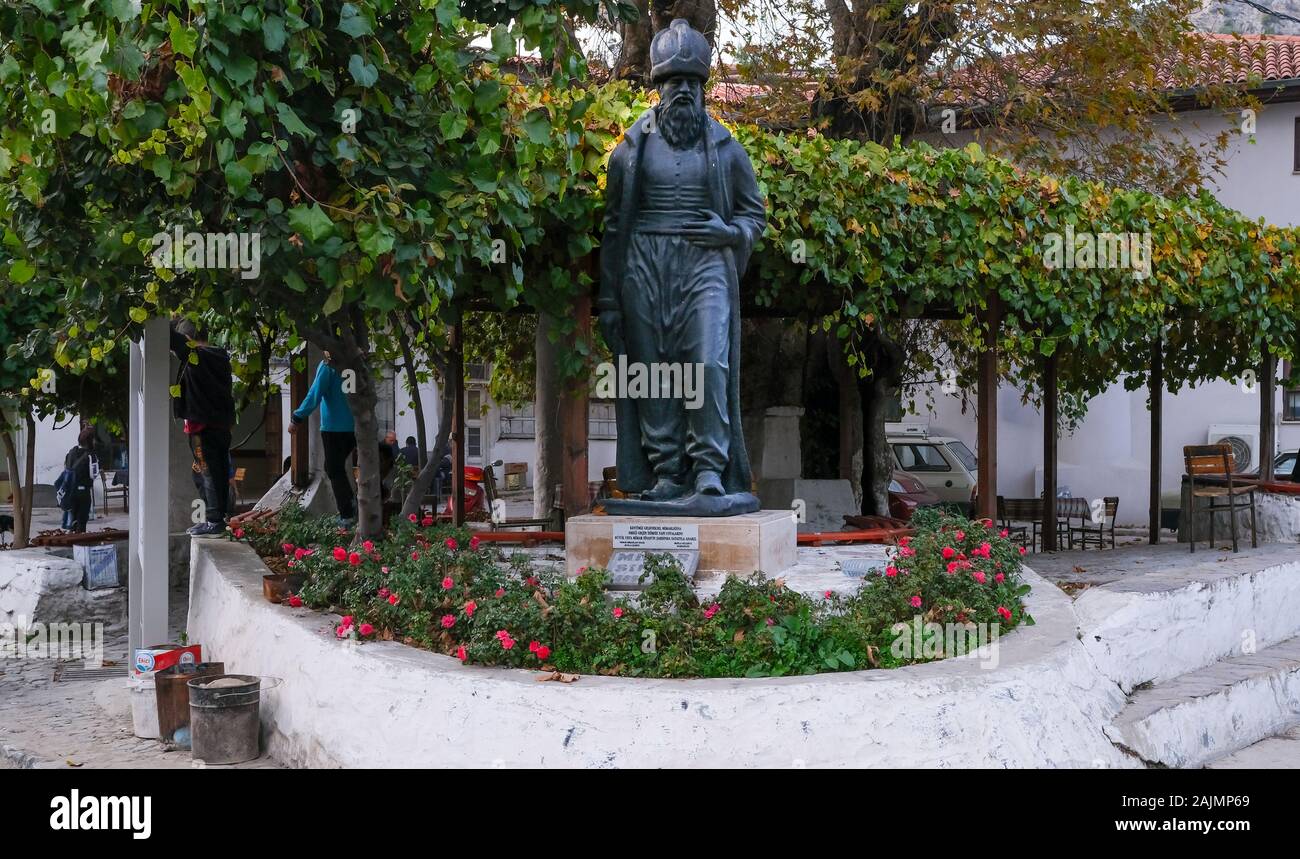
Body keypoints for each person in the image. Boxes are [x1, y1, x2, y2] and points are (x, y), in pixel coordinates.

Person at [598, 19, 765, 509]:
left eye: (693, 84)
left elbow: (753, 214)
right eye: (676, 85)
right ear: (660, 90)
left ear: (703, 89)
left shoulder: (726, 147)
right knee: (652, 371)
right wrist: (609, 299)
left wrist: (730, 234)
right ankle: (668, 473)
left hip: (706, 263)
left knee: (707, 364)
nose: (685, 93)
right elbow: (612, 227)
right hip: (643, 265)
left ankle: (710, 469)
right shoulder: (629, 150)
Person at [170, 320, 237, 536]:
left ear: (188, 340)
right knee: (205, 473)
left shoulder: (198, 356)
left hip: (203, 427)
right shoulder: (218, 356)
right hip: (217, 424)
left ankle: (214, 520)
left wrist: (169, 319)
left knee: (208, 473)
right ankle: (214, 517)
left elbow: (172, 338)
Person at [289, 352, 357, 525]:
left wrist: (297, 418)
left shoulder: (328, 366)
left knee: (334, 469)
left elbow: (314, 394)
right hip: (354, 427)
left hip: (334, 427)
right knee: (335, 467)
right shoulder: (354, 363)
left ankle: (348, 513)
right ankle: (350, 504)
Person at [61, 426, 100, 533]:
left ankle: (73, 541)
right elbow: (94, 474)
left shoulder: (71, 452)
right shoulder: (91, 455)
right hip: (83, 491)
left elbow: (66, 469)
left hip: (70, 492)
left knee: (72, 520)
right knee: (82, 520)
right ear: (90, 440)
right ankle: (80, 545)